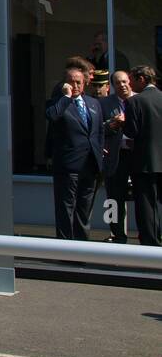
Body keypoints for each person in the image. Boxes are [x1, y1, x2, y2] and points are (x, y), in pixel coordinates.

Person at [45, 64, 103, 240]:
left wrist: (99, 153)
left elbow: (99, 131)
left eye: (78, 82)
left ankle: (82, 246)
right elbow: (52, 116)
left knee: (84, 210)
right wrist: (66, 97)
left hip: (90, 165)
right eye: (71, 82)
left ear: (84, 83)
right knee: (66, 209)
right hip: (69, 165)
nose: (75, 85)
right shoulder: (58, 102)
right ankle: (66, 249)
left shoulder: (93, 103)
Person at [124, 65, 161, 247]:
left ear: (141, 79)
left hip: (144, 162)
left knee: (146, 205)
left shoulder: (134, 102)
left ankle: (150, 242)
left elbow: (131, 131)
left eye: (131, 80)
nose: (129, 84)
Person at [100, 71, 132, 242]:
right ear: (113, 85)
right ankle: (115, 234)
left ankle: (148, 235)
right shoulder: (104, 104)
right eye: (118, 83)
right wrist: (112, 124)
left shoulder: (139, 100)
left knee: (143, 197)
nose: (122, 85)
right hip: (115, 157)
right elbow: (97, 130)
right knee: (113, 199)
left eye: (125, 81)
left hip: (136, 157)